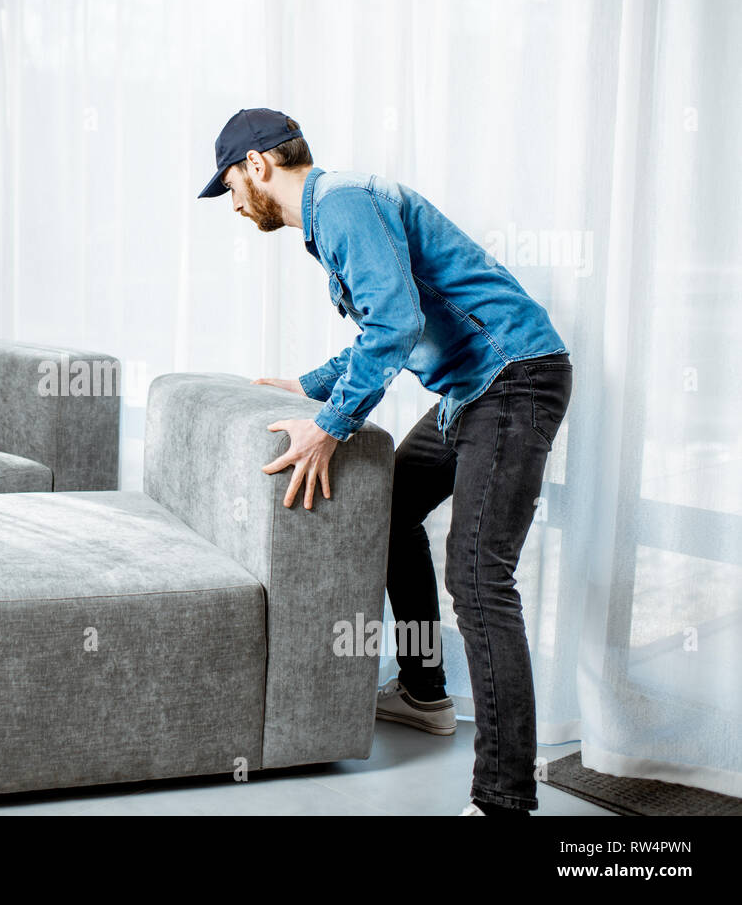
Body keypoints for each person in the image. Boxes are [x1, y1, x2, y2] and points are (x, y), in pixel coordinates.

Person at [199, 108, 573, 816]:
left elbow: (396, 326)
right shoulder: (339, 213)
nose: (235, 204)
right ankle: (426, 691)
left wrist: (331, 425)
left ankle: (503, 800)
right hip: (474, 387)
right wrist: (306, 386)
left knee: (479, 576)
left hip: (513, 377)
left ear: (256, 164)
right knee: (394, 512)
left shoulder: (341, 204)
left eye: (230, 186)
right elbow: (387, 322)